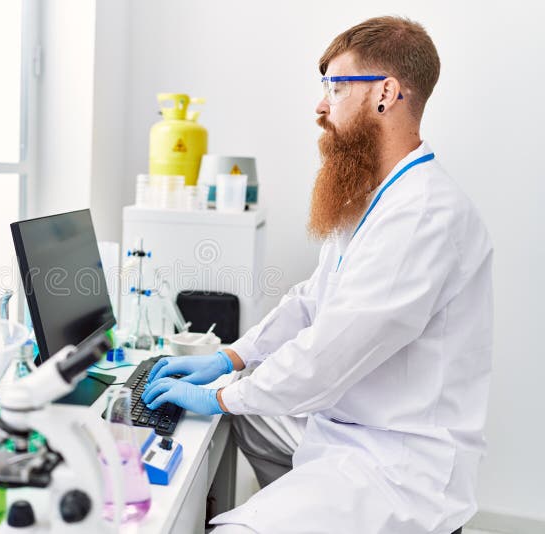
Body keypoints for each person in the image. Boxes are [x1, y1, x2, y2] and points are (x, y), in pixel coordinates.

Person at [142, 16, 492, 534]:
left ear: (386, 94)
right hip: (350, 423)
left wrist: (220, 394)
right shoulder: (376, 196)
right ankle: (293, 502)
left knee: (233, 525)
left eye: (336, 85)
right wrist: (231, 357)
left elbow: (330, 353)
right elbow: (312, 301)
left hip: (396, 462)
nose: (321, 104)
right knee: (250, 418)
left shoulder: (423, 215)